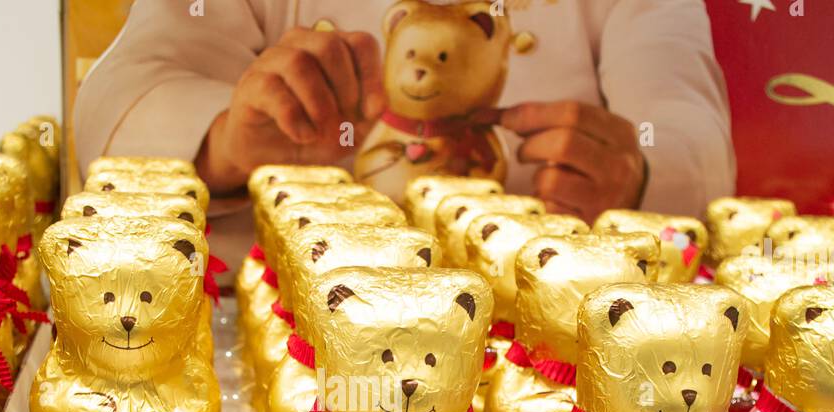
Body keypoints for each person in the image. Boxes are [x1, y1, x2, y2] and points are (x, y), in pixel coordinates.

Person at [75, 0, 734, 266]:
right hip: (297, 345)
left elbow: (685, 126)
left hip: (551, 353)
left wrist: (639, 171)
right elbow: (123, 90)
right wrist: (225, 140)